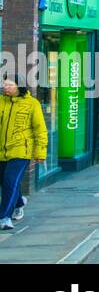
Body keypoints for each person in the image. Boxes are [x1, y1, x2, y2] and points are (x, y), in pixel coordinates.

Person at [0, 80, 46, 231]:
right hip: (2, 150)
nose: (5, 87)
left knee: (10, 179)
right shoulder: (1, 101)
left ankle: (4, 218)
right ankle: (19, 203)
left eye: (9, 85)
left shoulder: (32, 104)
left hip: (21, 150)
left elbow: (40, 130)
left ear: (19, 86)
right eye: (5, 84)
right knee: (6, 182)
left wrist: (40, 153)